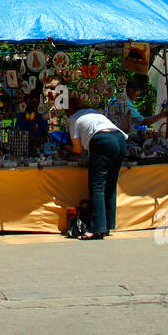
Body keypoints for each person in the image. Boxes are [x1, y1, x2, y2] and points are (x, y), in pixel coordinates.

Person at [60, 88, 127, 240]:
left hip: (102, 141)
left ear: (69, 110)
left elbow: (77, 149)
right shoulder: (93, 113)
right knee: (110, 185)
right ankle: (108, 224)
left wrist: (66, 147)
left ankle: (96, 228)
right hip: (119, 139)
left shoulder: (74, 119)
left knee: (97, 186)